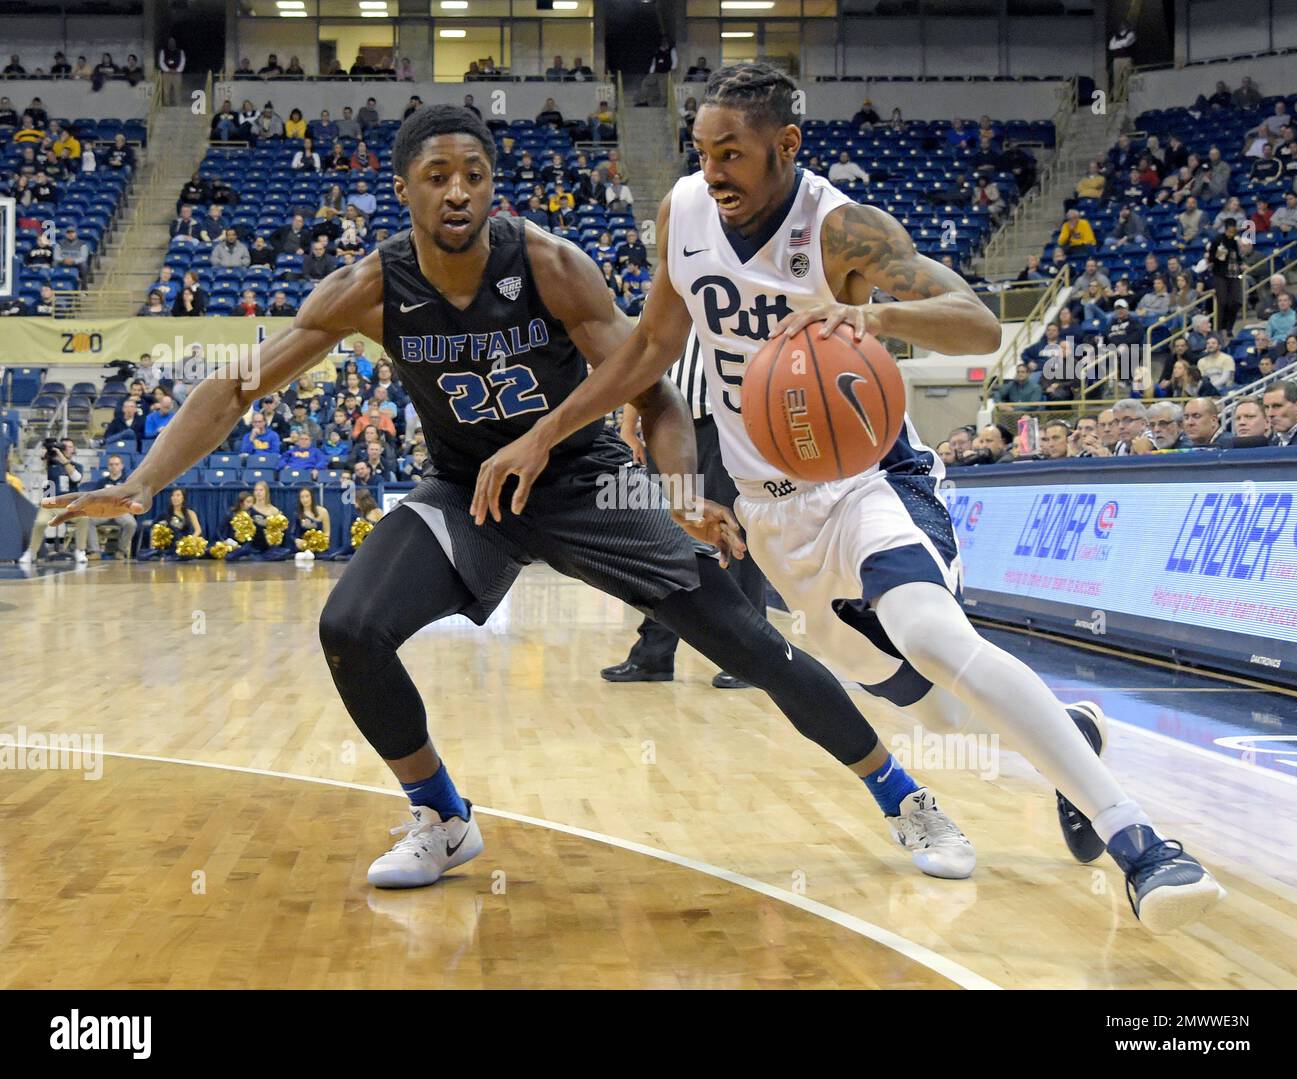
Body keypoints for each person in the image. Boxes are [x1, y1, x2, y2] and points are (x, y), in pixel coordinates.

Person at [46, 103, 983, 894]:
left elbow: (652, 391)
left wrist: (685, 493)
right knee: (351, 627)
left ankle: (904, 795)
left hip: (582, 480)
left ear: (494, 184)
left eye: (475, 175)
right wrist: (141, 481)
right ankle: (443, 816)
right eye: (437, 176)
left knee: (748, 642)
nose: (459, 191)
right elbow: (239, 386)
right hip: (468, 491)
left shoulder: (548, 262)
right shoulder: (369, 287)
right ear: (404, 188)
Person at [468, 66, 1223, 933]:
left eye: (734, 153)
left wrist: (871, 322)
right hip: (773, 514)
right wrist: (544, 433)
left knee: (932, 631)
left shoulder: (842, 230)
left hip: (869, 480)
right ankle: (1069, 740)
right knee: (924, 699)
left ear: (787, 147)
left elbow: (976, 322)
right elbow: (648, 351)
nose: (714, 170)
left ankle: (1142, 843)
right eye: (704, 151)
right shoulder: (682, 212)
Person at [601, 329, 768, 690]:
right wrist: (629, 427)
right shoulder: (667, 297)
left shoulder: (729, 293)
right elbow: (647, 363)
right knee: (665, 541)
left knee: (732, 536)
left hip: (726, 430)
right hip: (667, 429)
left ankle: (752, 656)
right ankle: (653, 655)